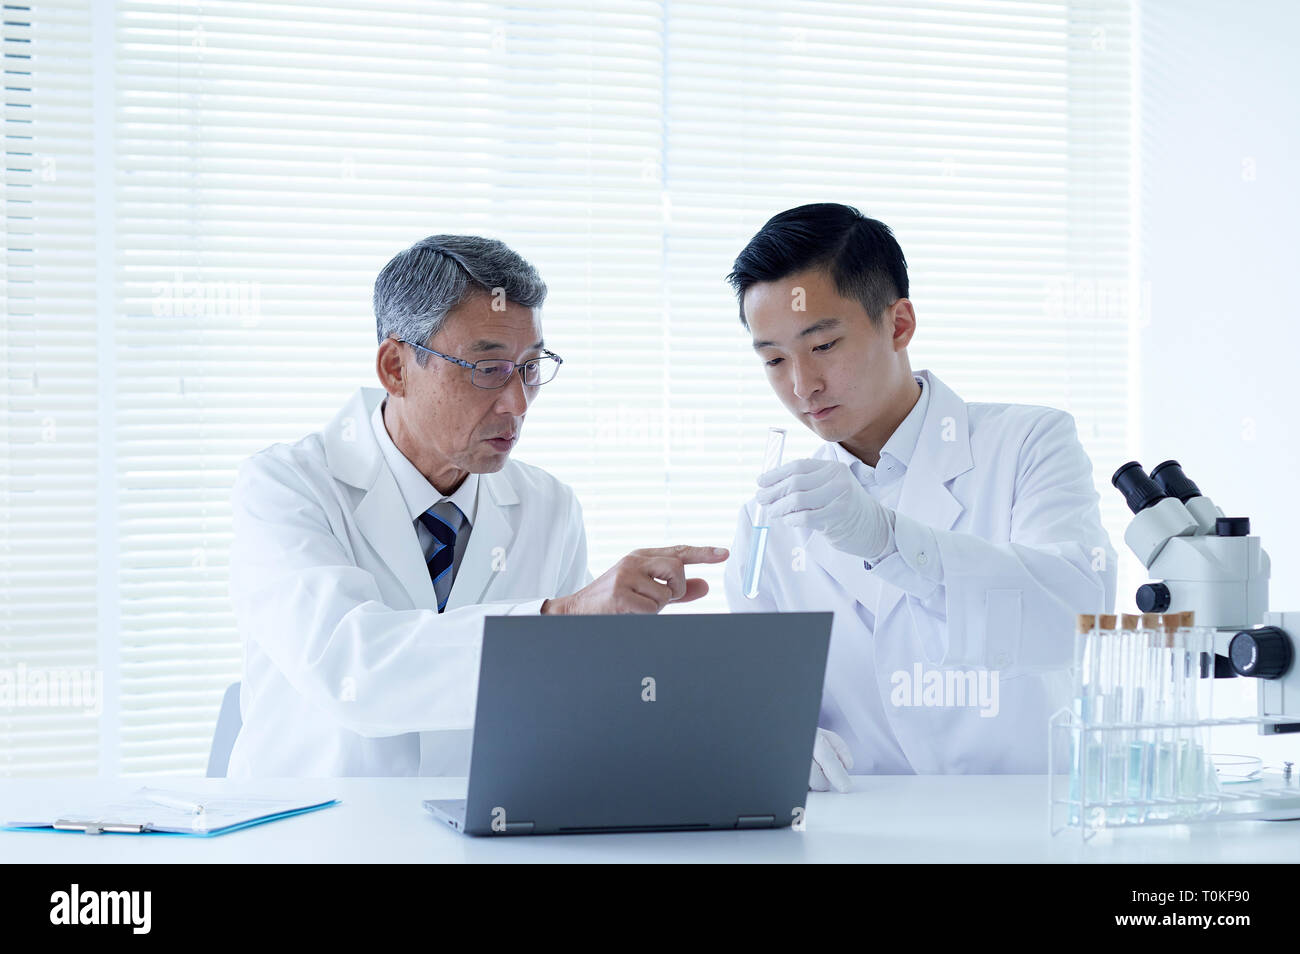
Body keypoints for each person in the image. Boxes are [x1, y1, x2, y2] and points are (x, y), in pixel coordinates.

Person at [227, 235, 727, 777]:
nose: (516, 404)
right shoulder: (284, 487)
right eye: (487, 369)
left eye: (531, 368)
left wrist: (705, 716)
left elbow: (572, 700)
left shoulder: (549, 506)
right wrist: (561, 619)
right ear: (396, 367)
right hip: (315, 836)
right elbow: (354, 669)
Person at [722, 203, 1117, 788]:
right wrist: (775, 735)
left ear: (899, 324)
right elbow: (759, 694)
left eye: (824, 345)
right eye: (775, 360)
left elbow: (1076, 616)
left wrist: (889, 540)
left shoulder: (1028, 442)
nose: (803, 385)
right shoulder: (771, 517)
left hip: (1025, 823)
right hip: (861, 835)